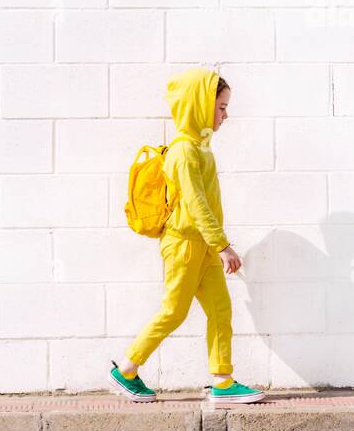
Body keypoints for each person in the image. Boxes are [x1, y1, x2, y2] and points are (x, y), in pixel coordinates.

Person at [109, 67, 265, 404]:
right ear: (200, 104)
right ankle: (126, 370)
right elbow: (196, 205)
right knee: (173, 312)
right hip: (183, 246)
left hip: (204, 247)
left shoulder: (200, 148)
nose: (226, 114)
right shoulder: (184, 151)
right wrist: (223, 246)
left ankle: (223, 381)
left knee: (221, 310)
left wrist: (216, 246)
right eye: (221, 107)